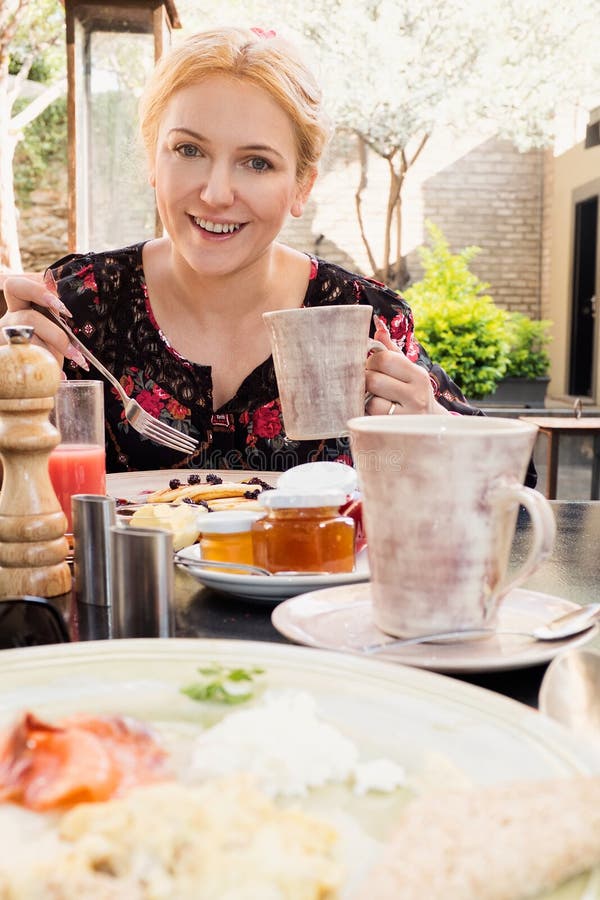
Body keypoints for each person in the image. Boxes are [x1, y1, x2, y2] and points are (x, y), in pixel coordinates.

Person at [1, 26, 524, 480]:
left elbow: (519, 500)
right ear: (152, 160)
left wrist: (428, 435)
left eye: (256, 163)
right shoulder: (78, 306)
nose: (216, 193)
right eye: (189, 150)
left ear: (301, 187)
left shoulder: (364, 316)